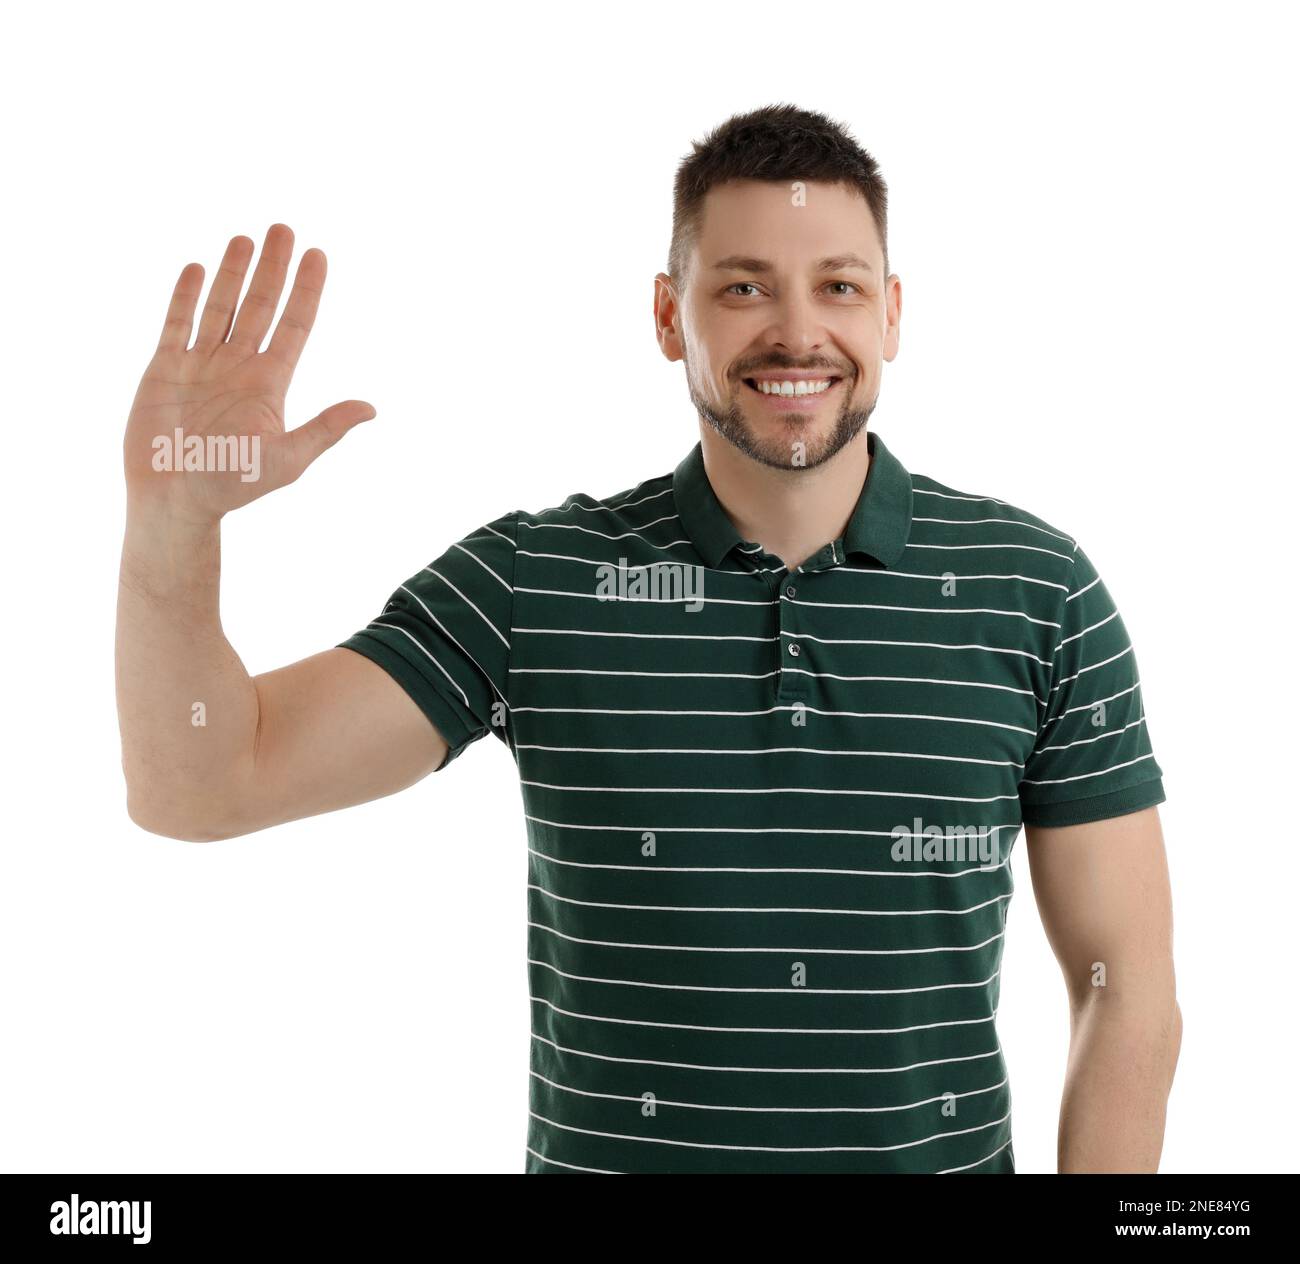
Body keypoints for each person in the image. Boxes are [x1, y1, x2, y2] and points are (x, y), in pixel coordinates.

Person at [116, 104, 1181, 1174]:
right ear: (670, 316)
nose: (797, 332)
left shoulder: (1036, 589)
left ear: (892, 315)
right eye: (743, 285)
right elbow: (202, 785)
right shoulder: (538, 579)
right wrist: (172, 524)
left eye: (839, 286)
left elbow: (1126, 989)